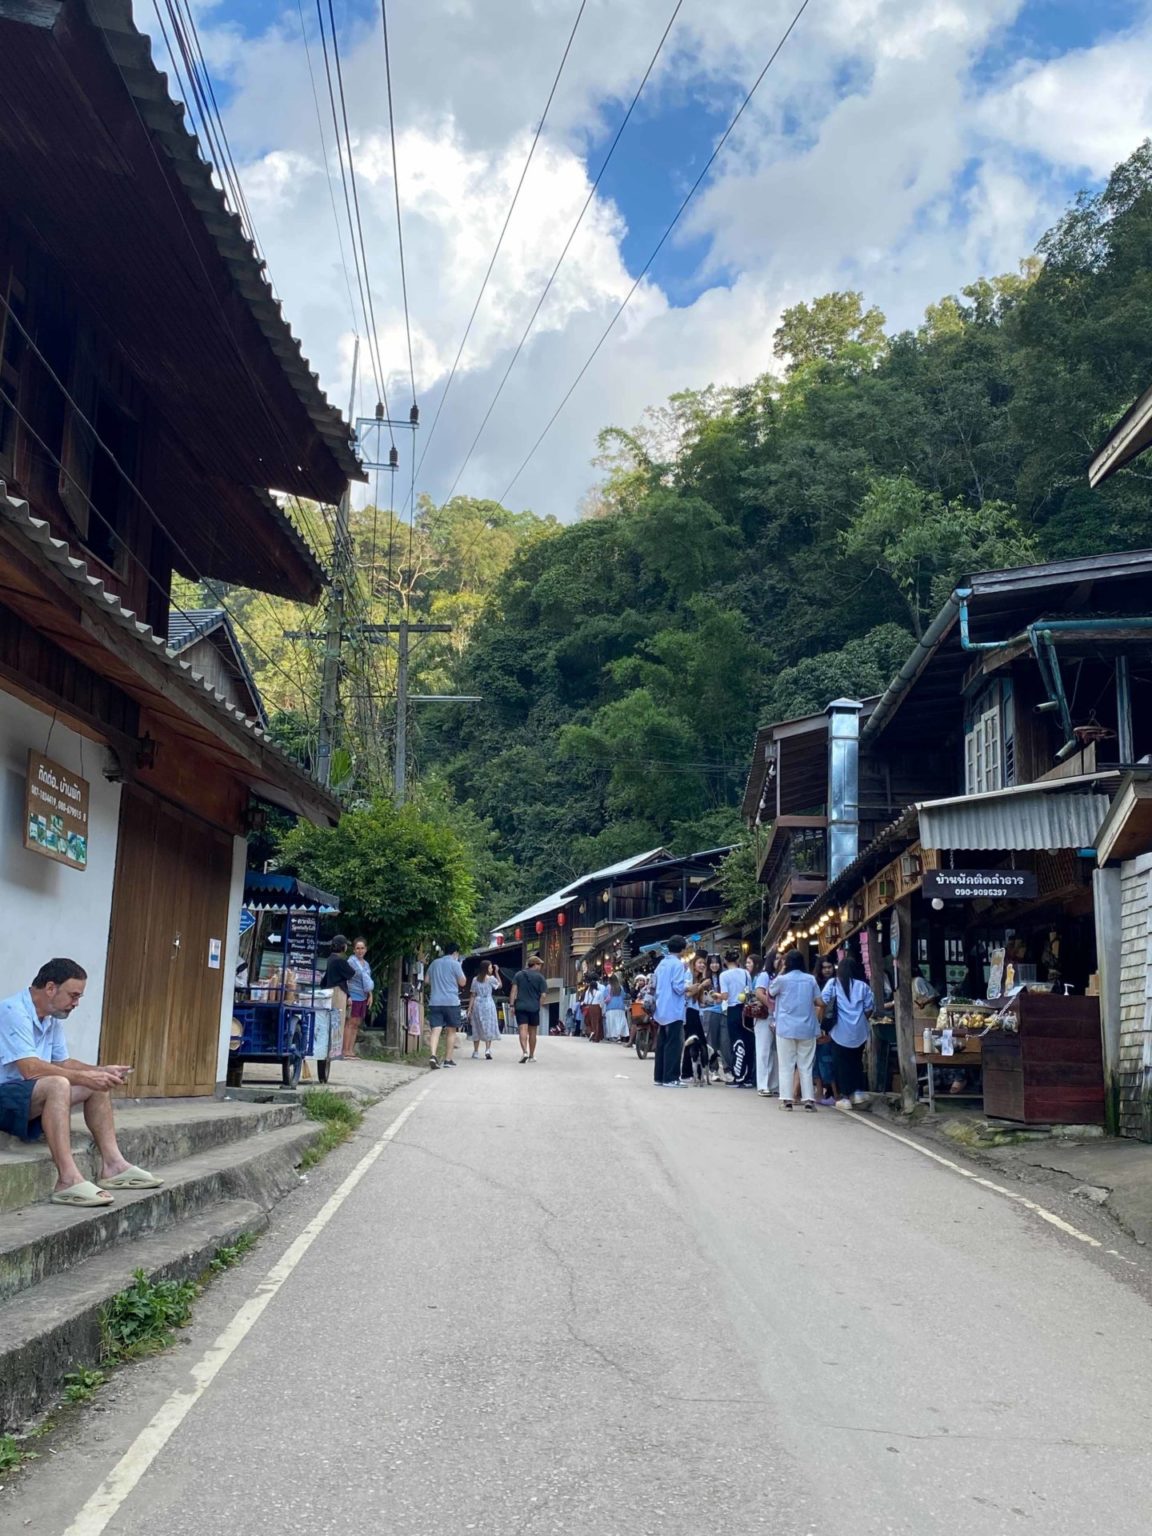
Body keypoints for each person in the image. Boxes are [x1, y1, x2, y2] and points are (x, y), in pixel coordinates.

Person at [0, 959, 161, 1206]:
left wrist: (98, 1071)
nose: (76, 1003)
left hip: (26, 1098)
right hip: (6, 1098)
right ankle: (67, 1179)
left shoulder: (51, 1017)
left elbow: (63, 1062)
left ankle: (113, 1164)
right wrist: (85, 1076)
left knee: (94, 1084)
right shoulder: (12, 1011)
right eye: (73, 996)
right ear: (51, 988)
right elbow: (30, 1069)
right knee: (59, 1084)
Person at [768, 950, 824, 1112]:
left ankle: (787, 1100)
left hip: (786, 1027)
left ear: (787, 963)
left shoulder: (782, 980)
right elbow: (819, 1001)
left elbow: (770, 992)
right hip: (807, 1028)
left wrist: (780, 971)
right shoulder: (811, 980)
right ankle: (808, 1100)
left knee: (786, 1065)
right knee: (805, 1065)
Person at [823, 954, 875, 1108]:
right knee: (856, 1061)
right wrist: (859, 1020)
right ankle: (857, 1092)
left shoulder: (833, 984)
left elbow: (822, 1001)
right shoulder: (863, 986)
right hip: (859, 1031)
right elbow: (869, 1008)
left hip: (839, 1030)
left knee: (840, 1064)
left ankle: (844, 1096)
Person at [652, 935, 689, 1088]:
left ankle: (659, 1076)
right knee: (674, 1043)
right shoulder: (678, 965)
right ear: (682, 949)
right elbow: (678, 987)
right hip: (674, 1008)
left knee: (662, 1042)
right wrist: (689, 987)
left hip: (661, 1006)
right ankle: (671, 1077)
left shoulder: (662, 963)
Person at [425, 944, 466, 1069]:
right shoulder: (455, 964)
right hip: (451, 1002)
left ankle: (433, 1055)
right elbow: (463, 982)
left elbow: (426, 980)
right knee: (451, 1031)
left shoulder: (434, 963)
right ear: (455, 953)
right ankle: (448, 1060)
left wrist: (437, 984)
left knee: (435, 1030)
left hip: (435, 1001)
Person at [718, 952, 754, 1088]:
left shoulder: (724, 975)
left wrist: (715, 995)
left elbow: (725, 996)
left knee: (737, 1043)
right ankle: (748, 1077)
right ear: (738, 959)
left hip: (733, 1010)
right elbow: (749, 992)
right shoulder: (746, 973)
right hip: (746, 1010)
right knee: (748, 1042)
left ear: (725, 961)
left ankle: (738, 1076)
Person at [752, 952, 780, 1098]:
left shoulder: (780, 977)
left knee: (775, 1052)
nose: (779, 960)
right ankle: (763, 1085)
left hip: (778, 1018)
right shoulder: (765, 975)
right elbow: (759, 993)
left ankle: (774, 1084)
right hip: (765, 1017)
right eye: (776, 958)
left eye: (781, 958)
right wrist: (772, 1007)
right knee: (764, 1051)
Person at [509, 954, 547, 1062]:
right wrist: (539, 1005)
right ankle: (531, 1055)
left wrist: (512, 1005)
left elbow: (513, 991)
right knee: (533, 1032)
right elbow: (543, 995)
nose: (540, 967)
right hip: (533, 1007)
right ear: (534, 965)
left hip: (520, 1006)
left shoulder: (518, 975)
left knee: (522, 1029)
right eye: (539, 964)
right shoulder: (540, 977)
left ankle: (524, 1051)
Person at [322, 936, 356, 1053]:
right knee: (338, 1020)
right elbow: (351, 973)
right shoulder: (339, 961)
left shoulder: (330, 959)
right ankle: (335, 1049)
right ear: (342, 946)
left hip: (330, 991)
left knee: (332, 1019)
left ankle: (332, 1048)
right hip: (338, 992)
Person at [344, 938, 375, 1059]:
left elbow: (367, 981)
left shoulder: (366, 964)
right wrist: (347, 996)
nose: (360, 950)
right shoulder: (351, 962)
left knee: (357, 1023)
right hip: (353, 995)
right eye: (358, 948)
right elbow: (345, 979)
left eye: (362, 948)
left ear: (366, 949)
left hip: (363, 996)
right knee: (350, 1023)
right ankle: (345, 1050)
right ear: (354, 949)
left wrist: (370, 995)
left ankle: (351, 1050)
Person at [814, 956, 839, 1105]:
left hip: (830, 1026)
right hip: (818, 1025)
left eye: (830, 967)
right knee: (818, 1060)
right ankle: (820, 1091)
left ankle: (834, 1094)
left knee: (826, 1060)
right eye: (824, 967)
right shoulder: (816, 983)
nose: (828, 970)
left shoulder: (836, 983)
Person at [701, 955, 729, 1082]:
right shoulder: (704, 978)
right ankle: (714, 1069)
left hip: (722, 1010)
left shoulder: (724, 977)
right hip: (709, 1011)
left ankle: (728, 1069)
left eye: (717, 963)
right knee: (711, 1041)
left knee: (724, 1041)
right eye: (711, 963)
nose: (714, 965)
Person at [468, 960, 501, 1060]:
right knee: (488, 1026)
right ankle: (487, 1049)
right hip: (488, 1004)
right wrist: (497, 972)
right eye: (491, 967)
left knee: (476, 1026)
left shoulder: (475, 979)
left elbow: (473, 995)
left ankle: (476, 1051)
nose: (492, 969)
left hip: (478, 1004)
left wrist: (469, 1009)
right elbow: (499, 985)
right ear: (486, 968)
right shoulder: (491, 979)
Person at [604, 974, 629, 1041]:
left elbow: (605, 997)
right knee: (619, 1022)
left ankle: (612, 1036)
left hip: (610, 1007)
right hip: (620, 1007)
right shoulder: (620, 987)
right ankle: (619, 1036)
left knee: (612, 1022)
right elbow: (624, 996)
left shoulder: (608, 987)